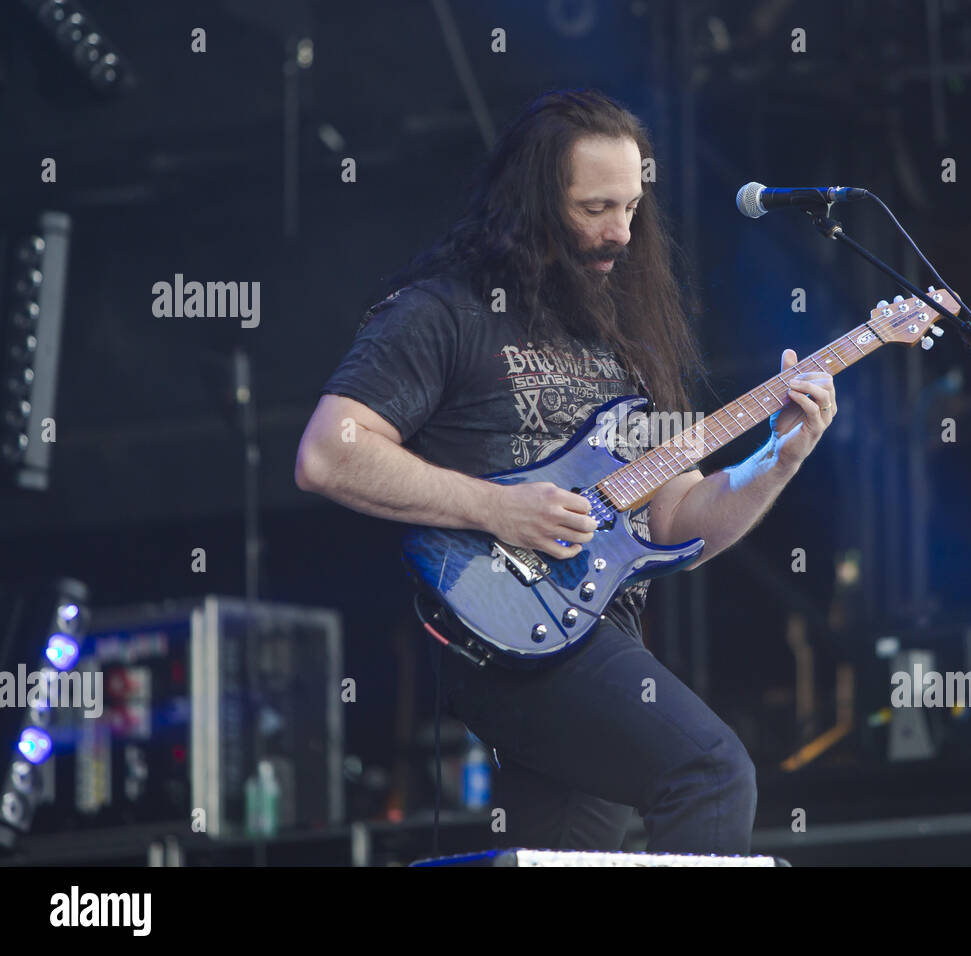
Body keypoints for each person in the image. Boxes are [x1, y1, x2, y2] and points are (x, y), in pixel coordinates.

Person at [294, 89, 838, 854]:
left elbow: (677, 519)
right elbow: (328, 453)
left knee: (567, 859)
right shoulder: (441, 313)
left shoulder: (632, 339)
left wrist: (779, 457)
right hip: (500, 624)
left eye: (631, 209)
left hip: (596, 623)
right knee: (711, 772)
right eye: (594, 209)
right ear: (532, 203)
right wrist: (497, 509)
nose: (620, 233)